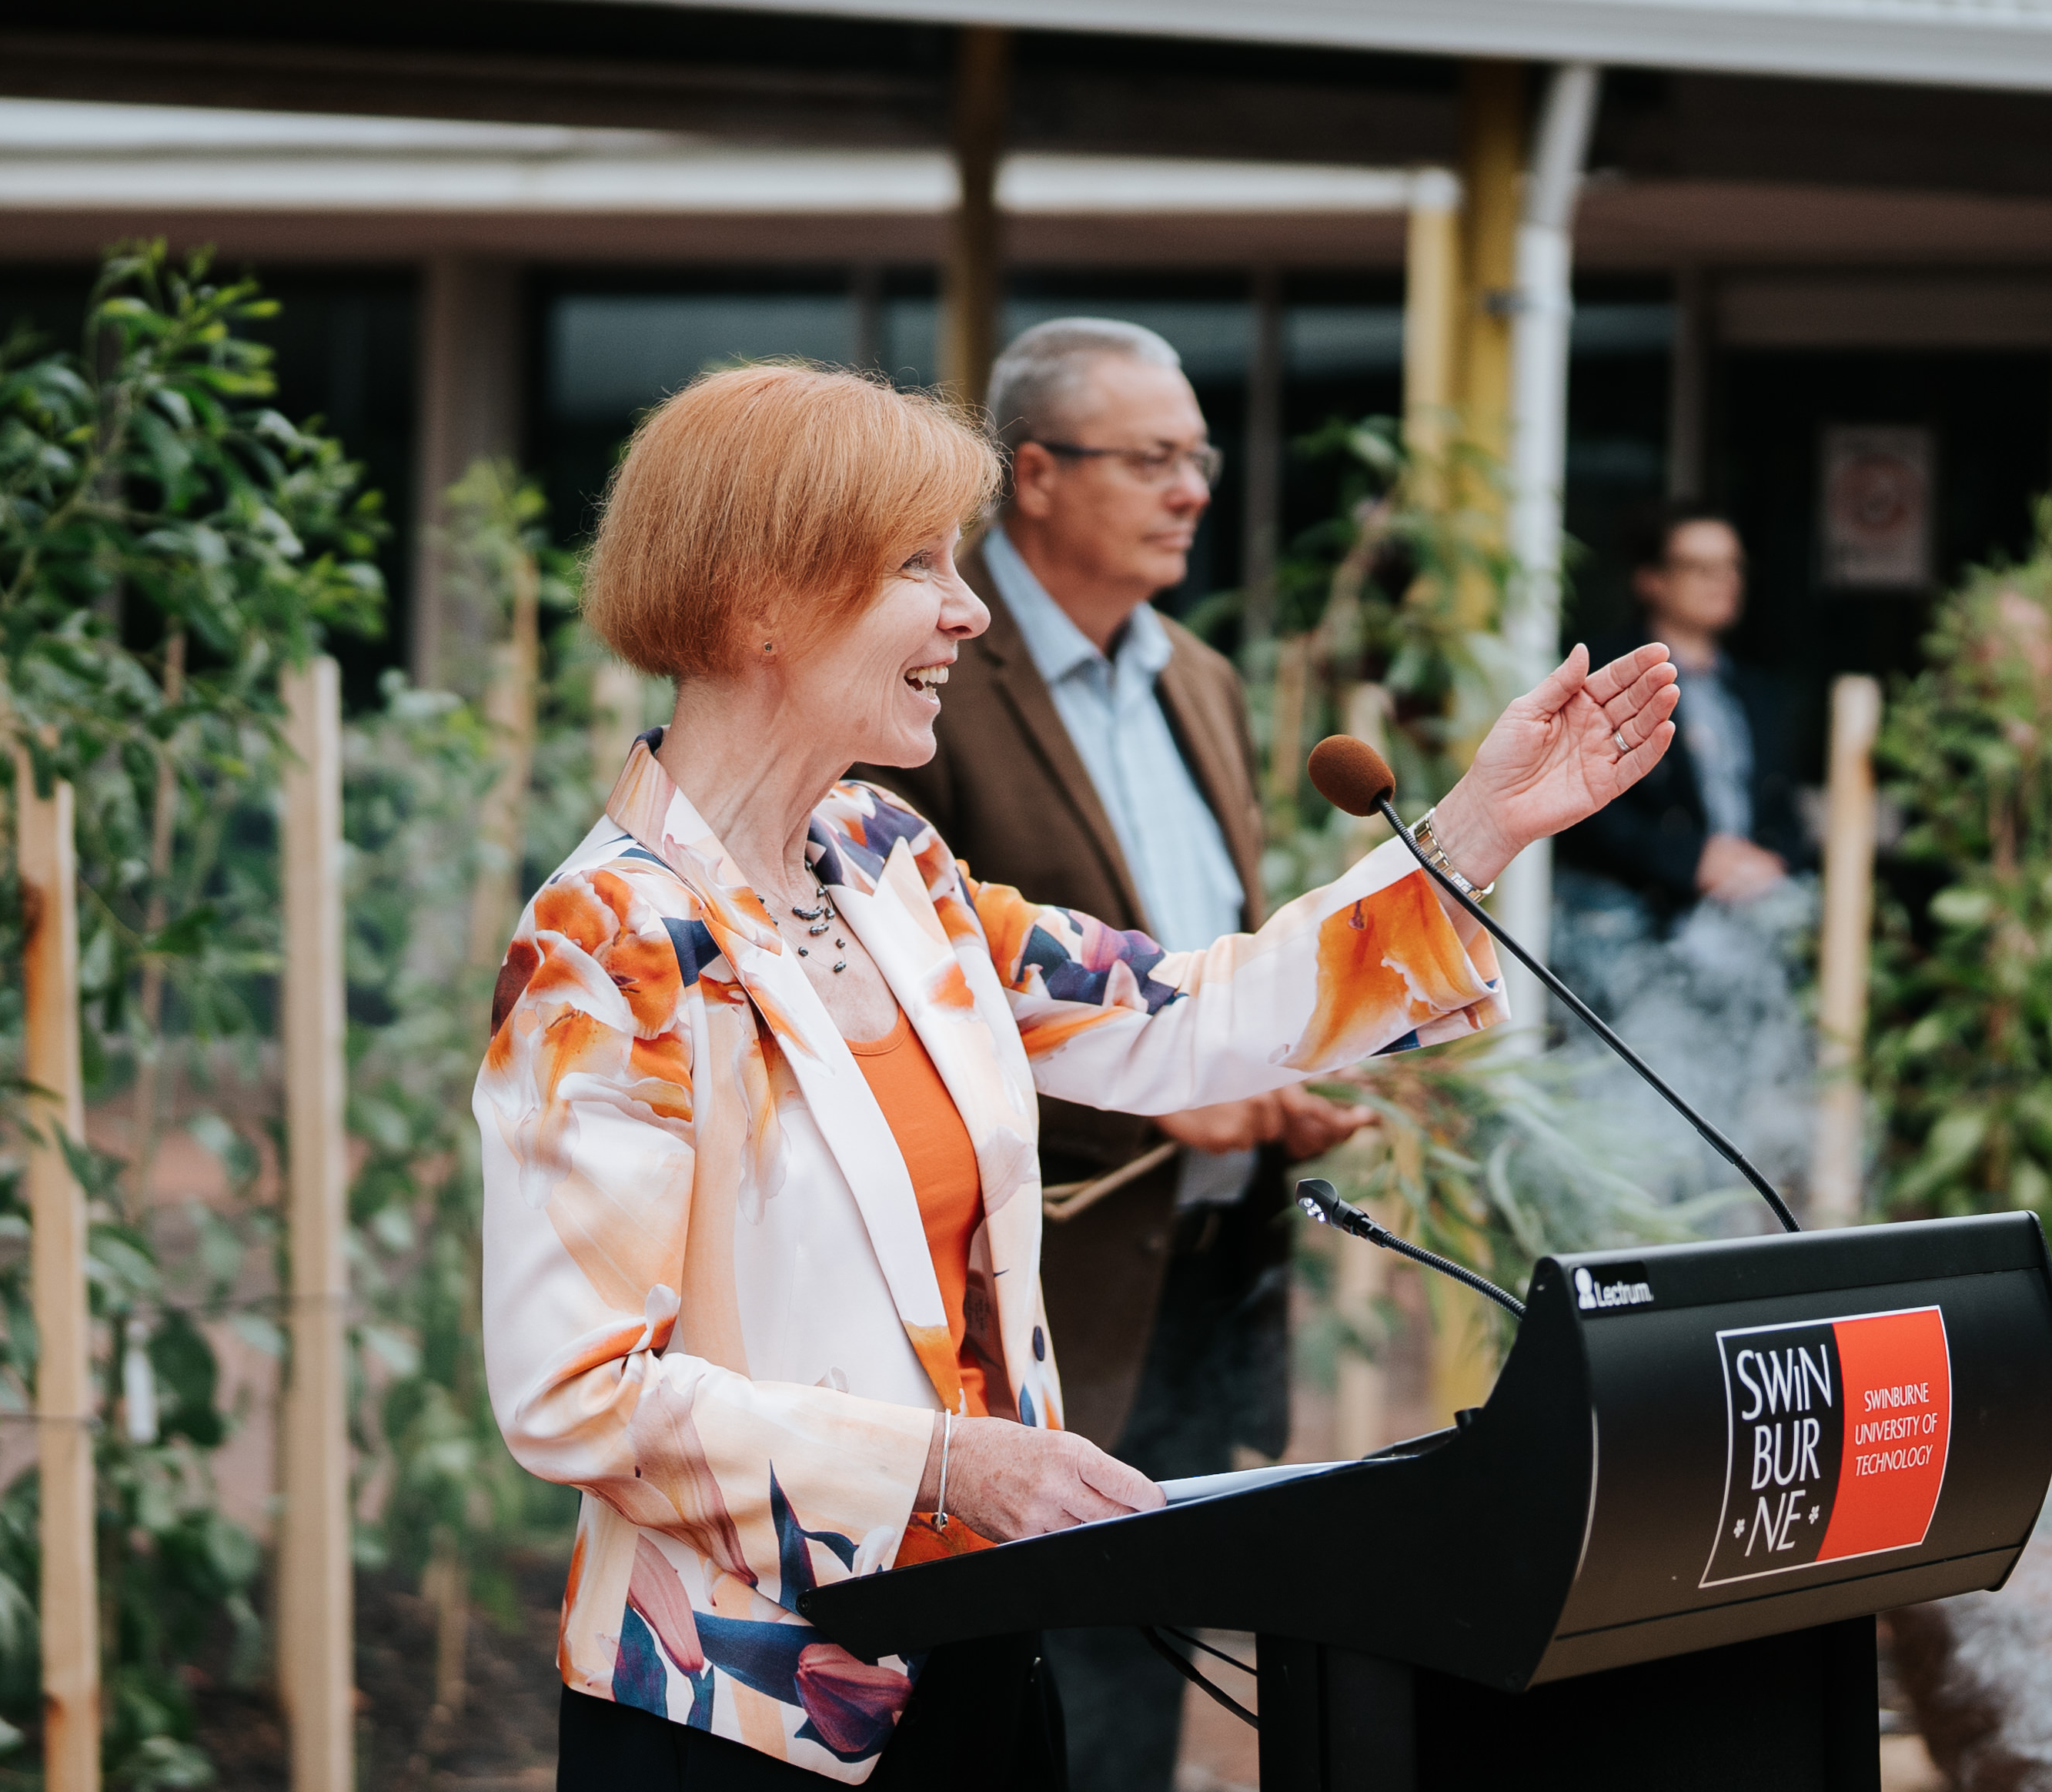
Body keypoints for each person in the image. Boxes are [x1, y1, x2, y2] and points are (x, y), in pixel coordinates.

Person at [475, 359, 1682, 1789]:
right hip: (745, 1707)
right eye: (918, 566)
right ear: (760, 605)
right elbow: (576, 1393)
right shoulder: (608, 940)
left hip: (979, 1636)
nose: (970, 609)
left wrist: (1474, 830)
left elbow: (1180, 1017)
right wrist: (949, 1464)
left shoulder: (885, 859)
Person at [852, 318, 1365, 1790]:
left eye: (1197, 457)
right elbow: (881, 1001)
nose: (1191, 489)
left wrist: (1266, 1093)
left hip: (1207, 1271)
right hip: (1038, 1290)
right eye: (1150, 459)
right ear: (1034, 475)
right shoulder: (924, 675)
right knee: (1041, 1695)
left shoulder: (1197, 676)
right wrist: (1158, 1106)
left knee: (1152, 1670)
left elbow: (1196, 968)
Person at [1557, 500, 1813, 918]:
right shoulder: (1610, 676)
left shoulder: (1757, 691)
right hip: (1633, 912)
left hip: (1750, 907)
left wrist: (1773, 861)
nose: (1723, 581)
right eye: (1700, 567)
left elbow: (1784, 809)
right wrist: (1691, 861)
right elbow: (1589, 809)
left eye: (1733, 566)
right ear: (1650, 579)